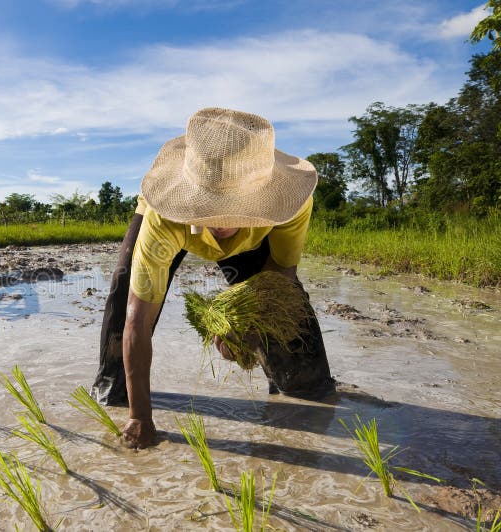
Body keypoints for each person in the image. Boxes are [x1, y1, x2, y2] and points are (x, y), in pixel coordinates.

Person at [91, 107, 335, 449]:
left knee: (287, 307)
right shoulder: (166, 219)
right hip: (174, 222)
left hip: (257, 233)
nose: (220, 224)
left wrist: (245, 320)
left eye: (233, 209)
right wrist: (141, 418)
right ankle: (116, 393)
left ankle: (305, 390)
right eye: (210, 208)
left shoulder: (287, 204)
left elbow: (280, 274)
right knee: (122, 296)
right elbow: (138, 318)